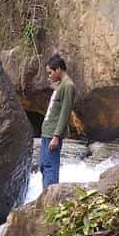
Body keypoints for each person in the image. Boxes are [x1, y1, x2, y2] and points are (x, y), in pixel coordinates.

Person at [40, 54, 76, 189]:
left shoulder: (68, 86)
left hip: (52, 134)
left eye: (50, 72)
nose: (49, 76)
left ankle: (49, 200)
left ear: (58, 69)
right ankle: (45, 196)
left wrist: (56, 136)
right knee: (44, 165)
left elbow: (65, 113)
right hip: (46, 132)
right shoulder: (61, 85)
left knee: (50, 167)